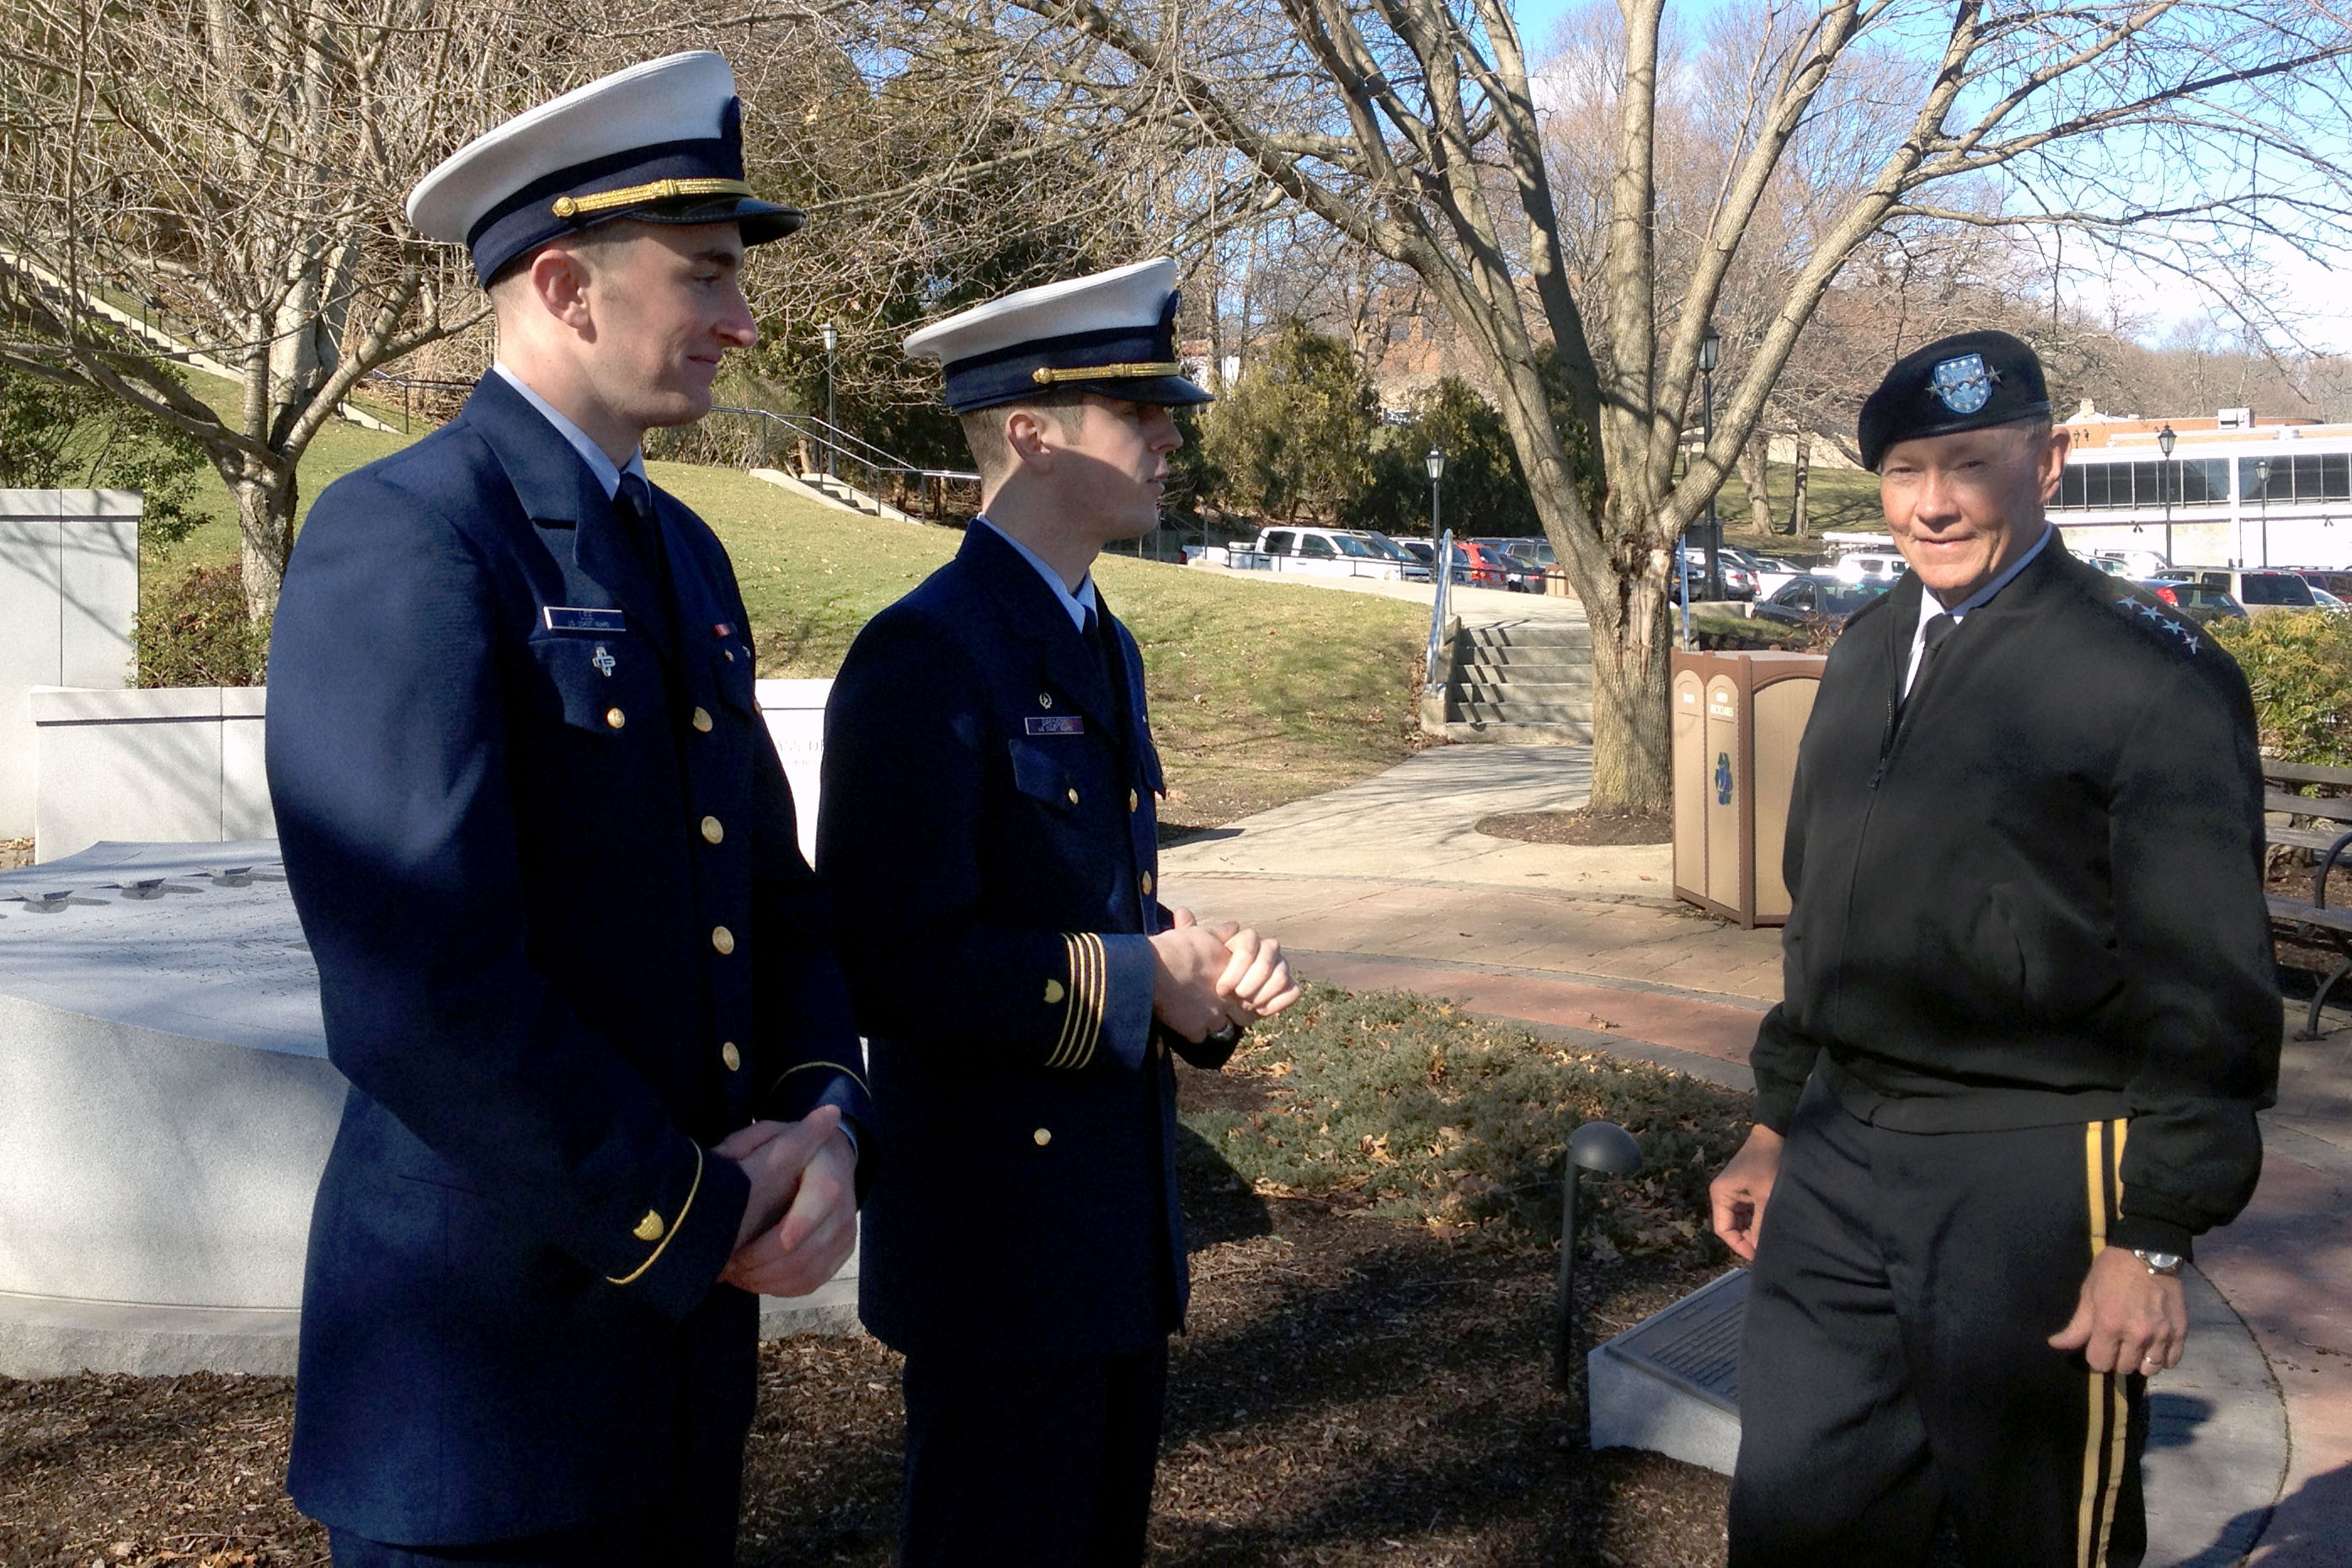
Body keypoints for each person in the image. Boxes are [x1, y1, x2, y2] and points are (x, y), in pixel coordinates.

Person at [267, 52, 876, 1566]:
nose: (743, 319)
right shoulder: (407, 535)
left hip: (674, 1388)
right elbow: (418, 988)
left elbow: (775, 891)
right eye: (708, 276)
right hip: (484, 1405)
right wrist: (686, 1209)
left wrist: (826, 1119)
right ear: (565, 283)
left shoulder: (682, 556)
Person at [1706, 329, 2280, 1566]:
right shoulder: (1861, 652)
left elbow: (2210, 986)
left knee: (2036, 1538)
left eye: (1967, 463)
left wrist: (2154, 1233)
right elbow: (1825, 918)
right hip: (1842, 1154)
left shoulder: (2146, 674)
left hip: (2037, 1169)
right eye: (1904, 468)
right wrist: (1773, 1118)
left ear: (2047, 464)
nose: (1930, 502)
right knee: (1799, 1516)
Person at [817, 258, 1302, 1566]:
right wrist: (1145, 978)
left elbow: (1086, 895)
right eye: (1136, 409)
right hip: (996, 1253)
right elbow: (892, 960)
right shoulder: (926, 652)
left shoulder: (1098, 637)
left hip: (1103, 1240)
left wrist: (1196, 974)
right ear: (1028, 435)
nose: (1169, 432)